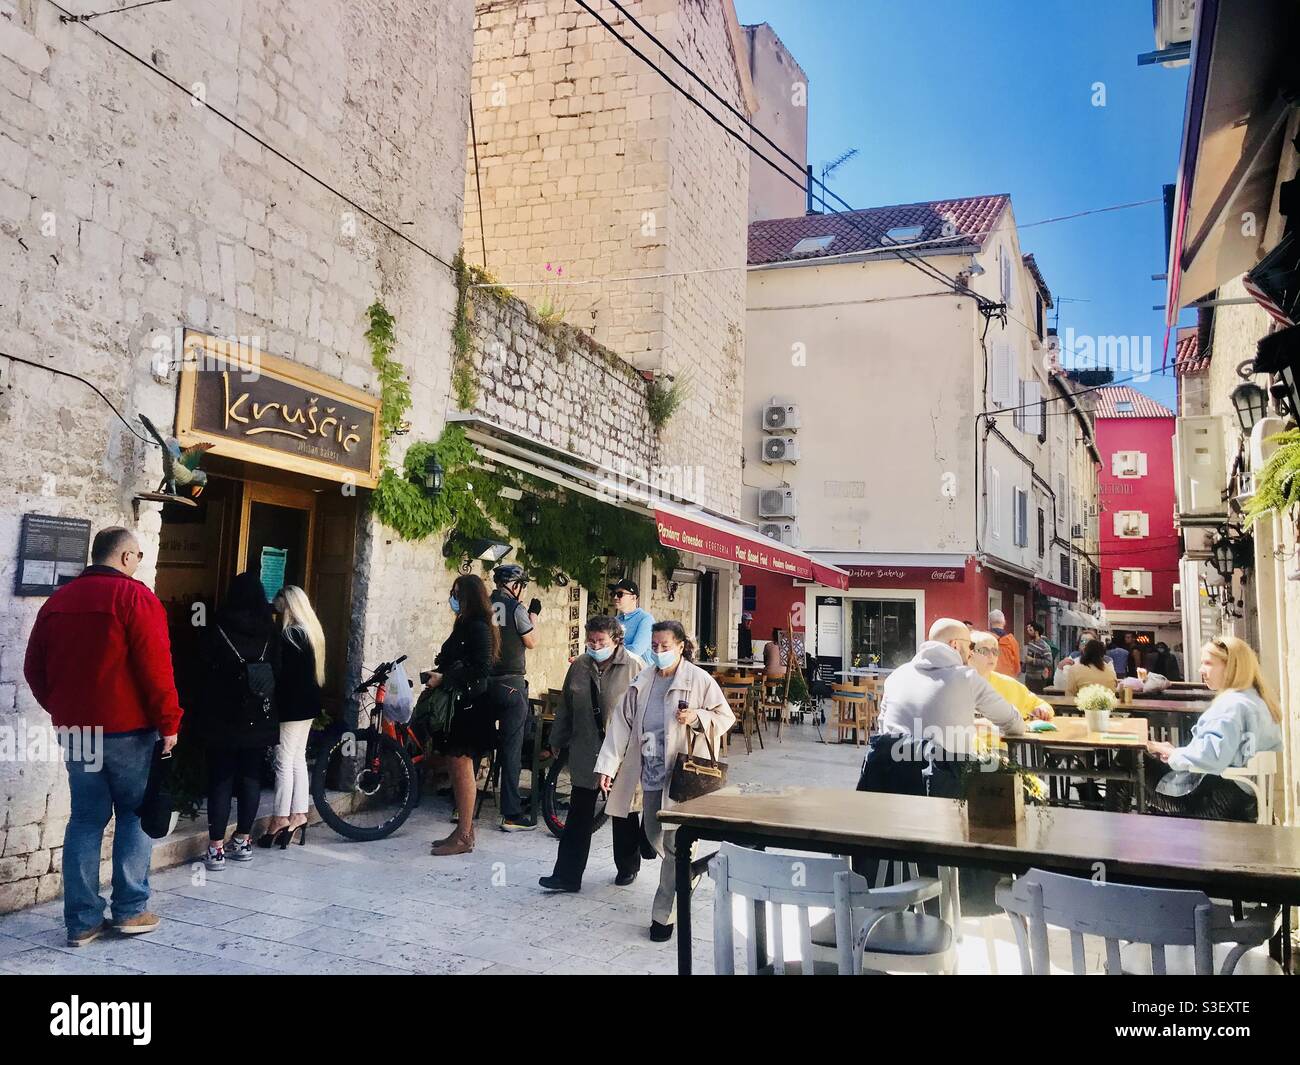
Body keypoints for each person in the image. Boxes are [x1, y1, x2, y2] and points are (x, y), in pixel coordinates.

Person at [23, 527, 182, 947]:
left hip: (78, 731)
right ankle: (130, 910)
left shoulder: (57, 603)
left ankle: (82, 922)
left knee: (86, 819)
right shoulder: (135, 599)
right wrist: (170, 724)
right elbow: (156, 671)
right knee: (134, 815)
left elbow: (34, 670)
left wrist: (61, 709)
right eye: (139, 555)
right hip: (128, 731)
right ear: (126, 556)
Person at [595, 620, 734, 942]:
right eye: (654, 646)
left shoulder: (698, 680)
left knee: (674, 846)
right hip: (649, 771)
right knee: (654, 835)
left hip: (682, 776)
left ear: (681, 647)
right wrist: (607, 766)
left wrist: (697, 717)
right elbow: (620, 725)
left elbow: (725, 717)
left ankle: (663, 918)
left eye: (665, 647)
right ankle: (693, 872)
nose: (658, 652)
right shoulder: (642, 679)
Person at [540, 616, 646, 892]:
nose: (596, 645)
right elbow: (566, 705)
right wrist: (557, 738)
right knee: (579, 813)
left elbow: (645, 710)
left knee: (623, 811)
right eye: (591, 641)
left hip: (620, 752)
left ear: (615, 641)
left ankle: (628, 866)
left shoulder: (634, 666)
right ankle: (567, 875)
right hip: (586, 748)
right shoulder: (579, 667)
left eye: (601, 641)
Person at [861, 619, 1024, 798]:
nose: (971, 653)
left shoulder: (896, 675)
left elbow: (884, 728)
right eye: (970, 646)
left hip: (891, 786)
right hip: (943, 790)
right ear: (954, 645)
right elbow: (1012, 721)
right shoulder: (967, 677)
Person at [191, 572, 281, 871]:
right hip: (259, 714)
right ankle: (243, 841)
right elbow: (277, 671)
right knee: (251, 777)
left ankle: (216, 847)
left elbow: (200, 667)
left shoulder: (217, 626)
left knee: (221, 779)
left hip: (222, 714)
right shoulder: (270, 631)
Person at [1142, 637, 1283, 822]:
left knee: (1130, 761)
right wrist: (1176, 752)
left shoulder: (1231, 706)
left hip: (1213, 803)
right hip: (1246, 799)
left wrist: (1175, 755)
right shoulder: (1257, 700)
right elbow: (1223, 752)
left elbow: (1212, 758)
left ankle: (1108, 843)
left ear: (1231, 666)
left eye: (1208, 663)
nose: (1201, 670)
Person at [427, 574, 499, 856]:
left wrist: (443, 678)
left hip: (470, 707)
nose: (454, 598)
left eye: (458, 593)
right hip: (460, 705)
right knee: (456, 769)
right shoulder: (465, 624)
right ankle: (462, 830)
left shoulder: (479, 627)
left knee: (462, 768)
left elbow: (481, 669)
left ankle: (465, 835)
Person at [260, 585, 323, 848]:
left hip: (291, 707)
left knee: (283, 761)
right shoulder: (311, 633)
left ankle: (280, 818)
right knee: (297, 759)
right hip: (307, 706)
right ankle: (299, 813)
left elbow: (282, 676)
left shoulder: (289, 636)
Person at [489, 563, 539, 832]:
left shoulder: (483, 605)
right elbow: (531, 641)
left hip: (483, 684)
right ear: (515, 585)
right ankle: (511, 814)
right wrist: (534, 616)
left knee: (476, 743)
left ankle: (461, 806)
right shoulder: (517, 609)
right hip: (511, 684)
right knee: (511, 748)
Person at [969, 631, 1053, 721]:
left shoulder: (1008, 684)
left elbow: (1041, 705)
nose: (991, 656)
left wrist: (1042, 709)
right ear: (969, 653)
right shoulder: (956, 684)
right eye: (984, 651)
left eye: (994, 651)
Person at [610, 578, 654, 659]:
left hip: (639, 670)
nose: (615, 597)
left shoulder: (646, 619)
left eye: (620, 594)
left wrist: (609, 652)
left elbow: (636, 650)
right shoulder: (614, 621)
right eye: (613, 594)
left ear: (633, 598)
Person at [1021, 621, 1054, 694]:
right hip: (1028, 677)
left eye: (1030, 630)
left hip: (1038, 679)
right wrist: (1023, 669)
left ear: (1036, 632)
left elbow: (1049, 662)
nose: (1028, 632)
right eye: (1028, 629)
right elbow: (1028, 658)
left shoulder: (1044, 646)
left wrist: (1033, 660)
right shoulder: (1030, 643)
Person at [987, 609, 1021, 678]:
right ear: (1004, 622)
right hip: (1007, 678)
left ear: (990, 622)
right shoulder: (1011, 641)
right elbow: (1017, 664)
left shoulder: (985, 638)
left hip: (989, 676)